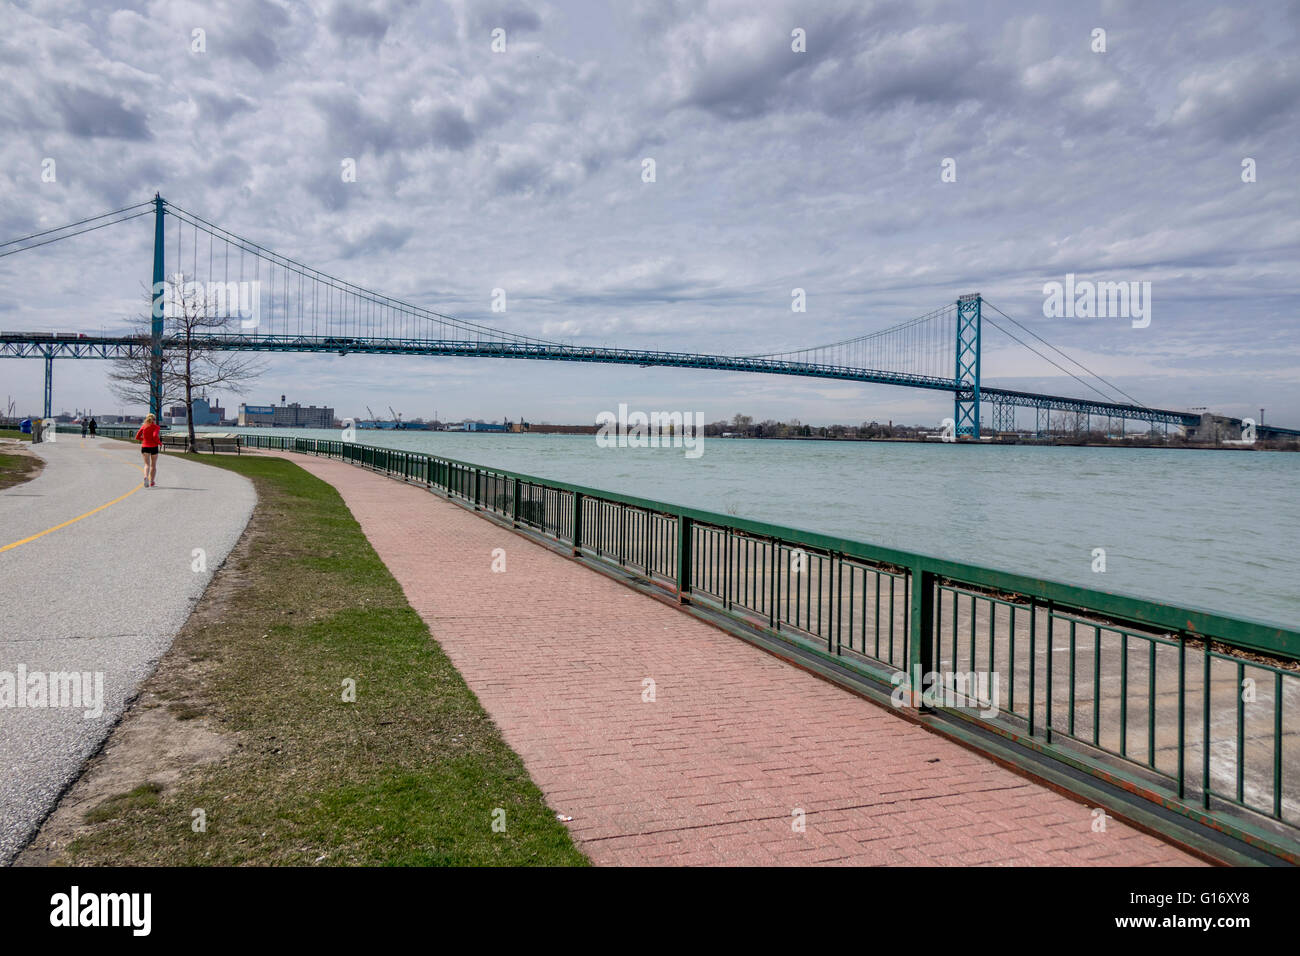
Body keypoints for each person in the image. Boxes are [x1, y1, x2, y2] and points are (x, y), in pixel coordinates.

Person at [134, 413, 161, 487]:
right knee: (153, 465)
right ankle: (152, 482)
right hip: (154, 447)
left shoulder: (144, 426)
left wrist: (144, 439)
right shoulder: (156, 427)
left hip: (145, 446)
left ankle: (146, 477)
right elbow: (155, 436)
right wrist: (160, 443)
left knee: (146, 464)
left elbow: (137, 437)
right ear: (154, 420)